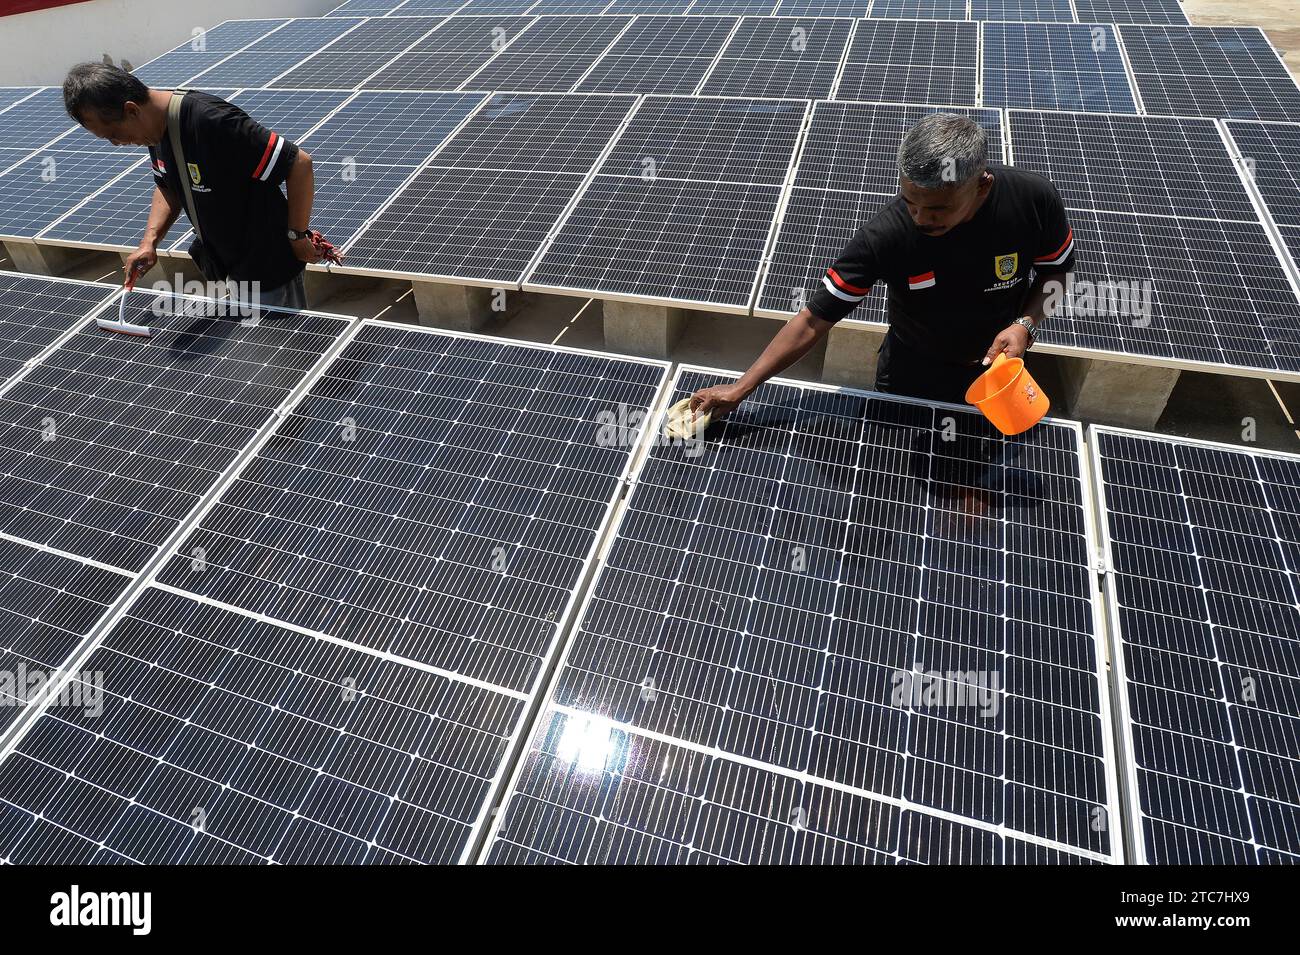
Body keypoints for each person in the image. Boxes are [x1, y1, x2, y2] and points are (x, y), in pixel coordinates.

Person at [690, 112, 1075, 418]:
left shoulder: (1032, 201)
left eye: (938, 208)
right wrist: (743, 387)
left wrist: (1024, 325)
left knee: (985, 478)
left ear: (982, 185)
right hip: (911, 371)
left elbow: (1056, 273)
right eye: (911, 202)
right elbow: (812, 319)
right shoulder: (887, 236)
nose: (922, 217)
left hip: (1001, 370)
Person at [62, 62, 321, 310]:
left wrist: (296, 236)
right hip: (234, 266)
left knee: (279, 347)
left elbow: (299, 163)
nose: (116, 144)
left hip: (267, 265)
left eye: (113, 135)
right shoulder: (156, 129)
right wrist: (149, 241)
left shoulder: (211, 121)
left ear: (131, 110)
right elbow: (167, 186)